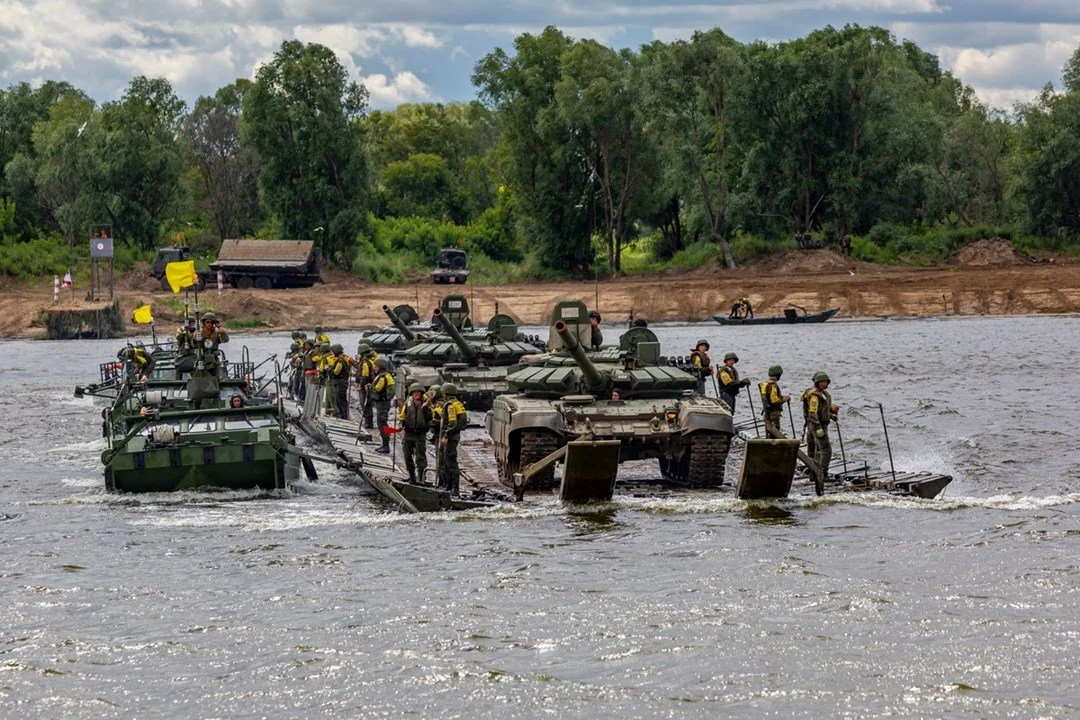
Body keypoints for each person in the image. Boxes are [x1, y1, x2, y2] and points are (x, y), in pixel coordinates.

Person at [805, 371, 838, 483]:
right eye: (822, 382)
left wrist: (832, 416)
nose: (825, 384)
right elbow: (812, 413)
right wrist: (818, 427)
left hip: (819, 424)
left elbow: (823, 410)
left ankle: (814, 473)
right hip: (817, 426)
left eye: (826, 382)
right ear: (817, 383)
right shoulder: (815, 396)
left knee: (817, 450)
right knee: (826, 450)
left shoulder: (823, 394)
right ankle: (823, 473)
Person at [399, 383, 433, 483]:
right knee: (407, 455)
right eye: (414, 393)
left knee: (420, 457)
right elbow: (402, 415)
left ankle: (421, 476)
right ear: (412, 394)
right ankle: (412, 476)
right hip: (408, 433)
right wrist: (401, 423)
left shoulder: (427, 403)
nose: (416, 394)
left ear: (421, 393)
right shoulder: (408, 403)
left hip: (420, 434)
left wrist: (426, 407)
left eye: (418, 392)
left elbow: (430, 417)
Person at [437, 383, 468, 494]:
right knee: (447, 460)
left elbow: (452, 422)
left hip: (451, 437)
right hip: (454, 436)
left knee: (450, 462)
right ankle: (449, 486)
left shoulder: (450, 405)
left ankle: (454, 488)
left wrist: (446, 436)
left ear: (445, 394)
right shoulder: (457, 403)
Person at [371, 357, 396, 453]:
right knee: (381, 423)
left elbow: (377, 389)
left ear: (380, 367)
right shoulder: (386, 376)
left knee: (381, 423)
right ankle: (384, 444)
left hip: (382, 403)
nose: (374, 368)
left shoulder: (383, 377)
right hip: (383, 402)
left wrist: (371, 389)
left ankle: (386, 445)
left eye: (376, 367)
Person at [759, 365, 791, 438]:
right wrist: (784, 399)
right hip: (773, 413)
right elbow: (774, 401)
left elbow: (769, 397)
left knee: (769, 431)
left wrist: (782, 397)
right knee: (774, 432)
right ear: (778, 375)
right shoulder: (772, 385)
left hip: (767, 412)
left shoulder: (765, 384)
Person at [195, 312, 229, 376]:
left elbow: (225, 340)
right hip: (202, 359)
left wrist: (220, 328)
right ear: (204, 322)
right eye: (207, 322)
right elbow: (194, 344)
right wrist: (195, 338)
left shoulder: (217, 332)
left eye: (211, 322)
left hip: (214, 361)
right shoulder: (199, 332)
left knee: (216, 379)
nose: (209, 324)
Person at [354, 342, 378, 429]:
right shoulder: (370, 360)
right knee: (367, 404)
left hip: (365, 387)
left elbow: (364, 375)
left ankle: (368, 423)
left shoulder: (365, 362)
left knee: (365, 404)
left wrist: (361, 386)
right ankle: (368, 422)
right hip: (369, 385)